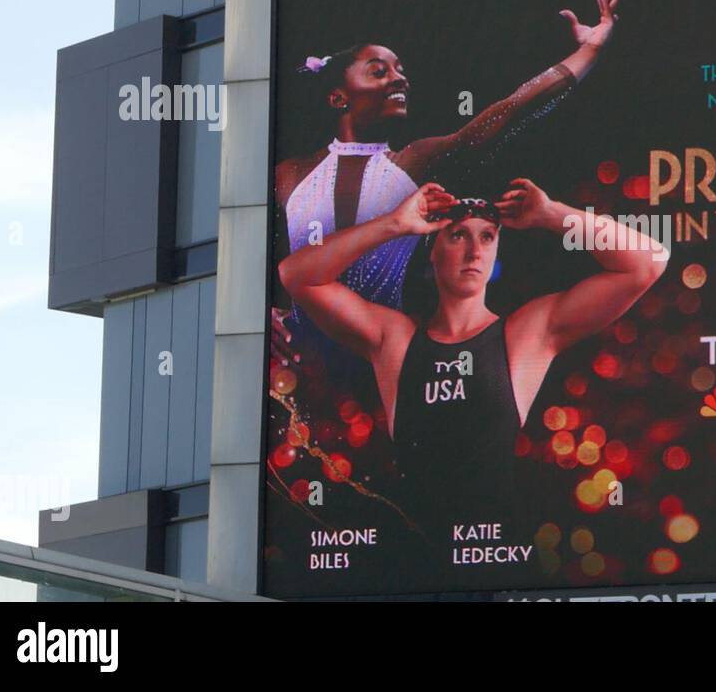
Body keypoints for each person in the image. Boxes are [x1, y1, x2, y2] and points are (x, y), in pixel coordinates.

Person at [277, 179, 667, 546]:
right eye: (458, 235)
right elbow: (296, 274)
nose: (474, 251)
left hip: (499, 560)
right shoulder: (394, 340)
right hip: (409, 564)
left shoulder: (524, 334)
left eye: (487, 237)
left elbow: (648, 263)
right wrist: (393, 224)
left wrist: (552, 214)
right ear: (432, 250)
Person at [271, 0, 627, 367]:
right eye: (380, 72)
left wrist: (589, 51)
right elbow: (250, 258)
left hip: (382, 365)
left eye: (401, 71)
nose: (399, 79)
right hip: (301, 366)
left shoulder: (414, 164)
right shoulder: (290, 175)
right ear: (337, 97)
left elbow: (510, 111)